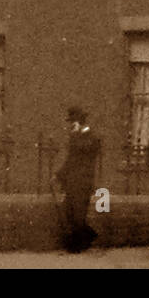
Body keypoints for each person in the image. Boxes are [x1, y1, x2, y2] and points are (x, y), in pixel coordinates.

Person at [54, 106, 101, 253]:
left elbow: (87, 149)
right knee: (69, 212)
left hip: (82, 181)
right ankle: (89, 236)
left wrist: (76, 135)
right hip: (72, 182)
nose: (71, 125)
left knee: (78, 214)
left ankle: (78, 245)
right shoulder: (77, 136)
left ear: (79, 122)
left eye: (73, 122)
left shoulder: (90, 136)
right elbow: (70, 160)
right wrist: (58, 175)